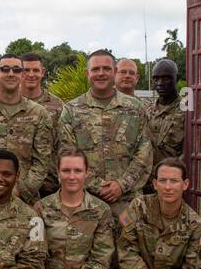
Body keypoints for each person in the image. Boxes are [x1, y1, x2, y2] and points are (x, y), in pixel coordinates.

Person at [57, 49, 152, 218]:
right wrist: (97, 186)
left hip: (128, 202)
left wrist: (121, 185)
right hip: (85, 202)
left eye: (106, 69)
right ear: (88, 73)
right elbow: (66, 155)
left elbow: (144, 154)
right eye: (95, 69)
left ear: (115, 72)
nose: (101, 73)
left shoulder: (136, 109)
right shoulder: (71, 110)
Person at [0, 53, 54, 203]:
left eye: (16, 70)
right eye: (5, 69)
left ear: (22, 74)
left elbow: (42, 159)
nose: (11, 74)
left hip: (26, 200)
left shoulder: (39, 113)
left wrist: (22, 190)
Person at [21, 51, 65, 195]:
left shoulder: (57, 105)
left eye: (35, 70)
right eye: (26, 70)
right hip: (19, 181)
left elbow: (63, 143)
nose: (31, 74)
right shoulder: (12, 103)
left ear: (43, 72)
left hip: (49, 182)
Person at [143, 59, 183, 191]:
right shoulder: (147, 110)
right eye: (156, 79)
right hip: (146, 182)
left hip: (172, 183)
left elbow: (192, 151)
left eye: (166, 78)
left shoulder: (187, 111)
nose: (160, 83)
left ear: (176, 78)